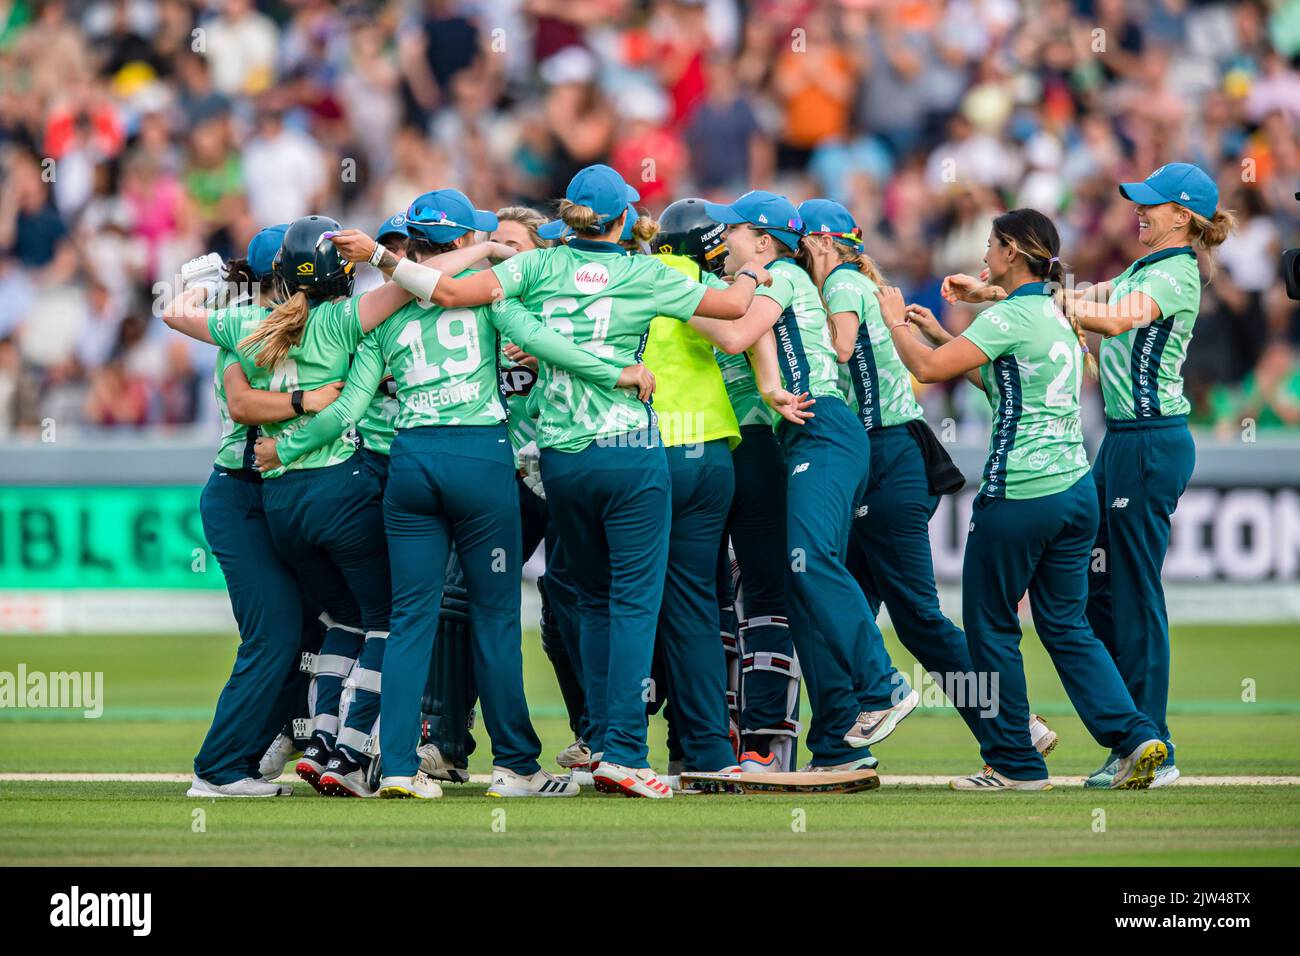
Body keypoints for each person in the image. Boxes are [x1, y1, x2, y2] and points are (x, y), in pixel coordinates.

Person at [331, 164, 772, 797]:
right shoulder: (644, 271)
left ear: (567, 218)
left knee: (583, 601)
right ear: (625, 218)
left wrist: (380, 254)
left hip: (559, 459)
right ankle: (618, 750)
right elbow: (734, 308)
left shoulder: (537, 269)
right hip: (625, 449)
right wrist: (755, 268)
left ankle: (554, 746)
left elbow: (450, 294)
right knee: (632, 603)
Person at [164, 214, 489, 798]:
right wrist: (479, 248)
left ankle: (308, 742)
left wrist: (202, 284)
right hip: (302, 487)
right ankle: (339, 753)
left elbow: (172, 313)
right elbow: (422, 281)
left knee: (324, 623)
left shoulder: (244, 322)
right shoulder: (343, 319)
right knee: (373, 622)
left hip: (276, 498)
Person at [946, 163, 1236, 788]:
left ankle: (1152, 743)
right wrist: (1000, 296)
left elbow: (1111, 319)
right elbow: (1072, 301)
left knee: (1132, 592)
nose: (1139, 212)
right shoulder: (1146, 267)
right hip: (1123, 442)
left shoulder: (1178, 273)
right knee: (1098, 593)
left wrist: (1011, 301)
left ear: (1182, 216)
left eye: (1150, 206)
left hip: (1148, 443)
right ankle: (1132, 736)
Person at [882, 207, 1168, 790]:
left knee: (989, 626)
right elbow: (1003, 383)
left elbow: (930, 370)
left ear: (1012, 251)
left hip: (1019, 493)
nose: (984, 254)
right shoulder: (1058, 310)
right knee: (1066, 625)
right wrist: (945, 333)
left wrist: (896, 324)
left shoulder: (1008, 316)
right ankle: (1136, 734)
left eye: (991, 245)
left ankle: (1014, 761)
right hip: (1075, 491)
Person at [798, 197, 1060, 762]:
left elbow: (840, 349)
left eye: (800, 246)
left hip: (883, 457)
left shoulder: (841, 284)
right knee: (849, 607)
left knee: (914, 615)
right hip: (892, 455)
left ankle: (1011, 726)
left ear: (820, 244)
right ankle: (835, 747)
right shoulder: (861, 283)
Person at [690, 190, 914, 773]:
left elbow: (737, 335)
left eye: (731, 231)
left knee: (808, 563)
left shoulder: (781, 276)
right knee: (803, 584)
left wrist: (663, 297)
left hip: (827, 434)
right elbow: (756, 343)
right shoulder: (778, 280)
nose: (722, 241)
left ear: (764, 241)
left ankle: (885, 684)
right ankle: (839, 743)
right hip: (812, 438)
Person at [183, 224, 344, 798]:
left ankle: (286, 743)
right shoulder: (243, 330)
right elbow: (243, 403)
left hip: (283, 492)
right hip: (243, 492)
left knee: (310, 627)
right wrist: (308, 401)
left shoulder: (297, 324)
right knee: (274, 630)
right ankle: (220, 767)